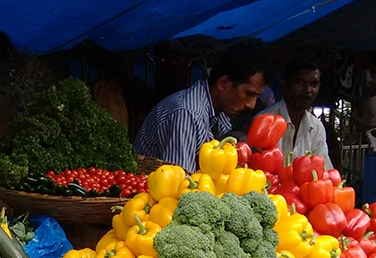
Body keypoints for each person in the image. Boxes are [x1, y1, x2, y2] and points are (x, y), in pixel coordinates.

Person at [133, 43, 271, 173]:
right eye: (248, 94)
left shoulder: (220, 113)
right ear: (223, 83)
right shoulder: (186, 113)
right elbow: (180, 183)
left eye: (256, 97)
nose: (251, 105)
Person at [258, 56, 332, 168]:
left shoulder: (316, 128)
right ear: (284, 85)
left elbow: (323, 171)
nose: (308, 90)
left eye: (313, 84)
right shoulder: (263, 122)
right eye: (300, 82)